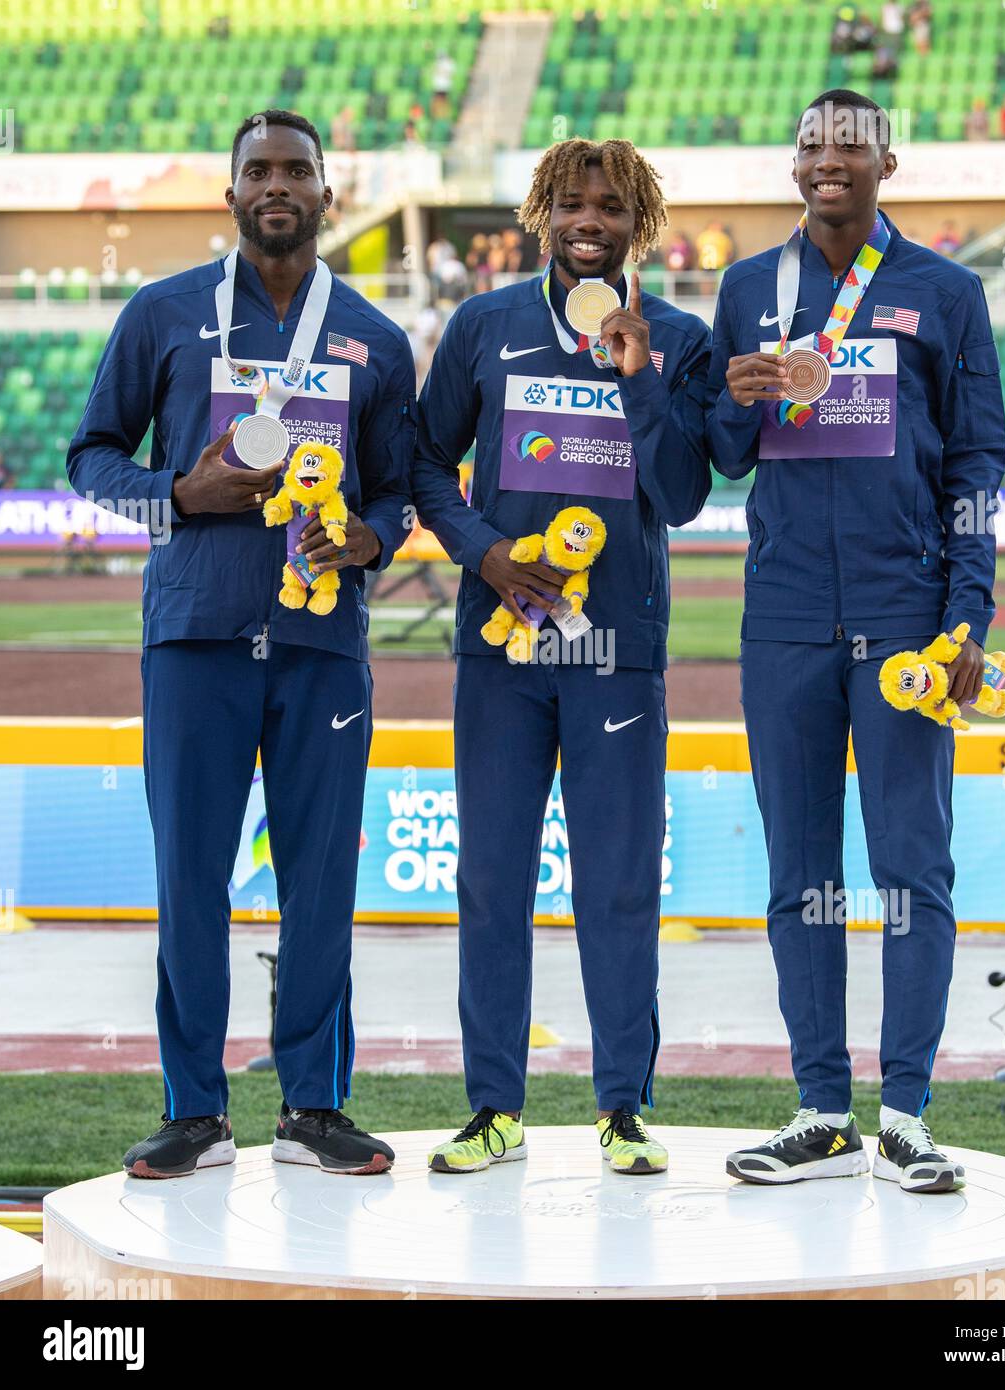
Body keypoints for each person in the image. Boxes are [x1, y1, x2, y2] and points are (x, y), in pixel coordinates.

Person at [66, 110, 416, 1179]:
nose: (277, 186)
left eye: (296, 172)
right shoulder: (164, 315)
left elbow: (400, 496)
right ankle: (194, 1110)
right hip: (194, 637)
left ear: (325, 195)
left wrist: (363, 537)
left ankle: (313, 1105)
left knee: (319, 884)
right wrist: (179, 490)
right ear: (229, 195)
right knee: (191, 881)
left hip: (322, 647)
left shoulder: (374, 338)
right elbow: (89, 459)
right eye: (257, 170)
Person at [705, 90, 1005, 1194]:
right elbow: (722, 455)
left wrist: (964, 616)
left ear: (888, 161)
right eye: (811, 145)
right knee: (798, 877)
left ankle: (910, 1114)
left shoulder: (945, 292)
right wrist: (730, 402)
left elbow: (976, 466)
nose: (829, 160)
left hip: (903, 623)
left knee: (909, 872)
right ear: (792, 166)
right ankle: (820, 1109)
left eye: (850, 144)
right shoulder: (747, 288)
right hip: (780, 619)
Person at [412, 138, 712, 1176]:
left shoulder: (675, 336)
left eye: (612, 208)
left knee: (618, 887)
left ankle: (621, 1108)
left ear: (640, 225)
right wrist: (484, 553)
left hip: (619, 655)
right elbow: (421, 461)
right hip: (501, 655)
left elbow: (681, 495)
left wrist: (636, 379)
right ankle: (493, 1107)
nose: (591, 221)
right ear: (541, 213)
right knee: (492, 882)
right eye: (573, 204)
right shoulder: (485, 324)